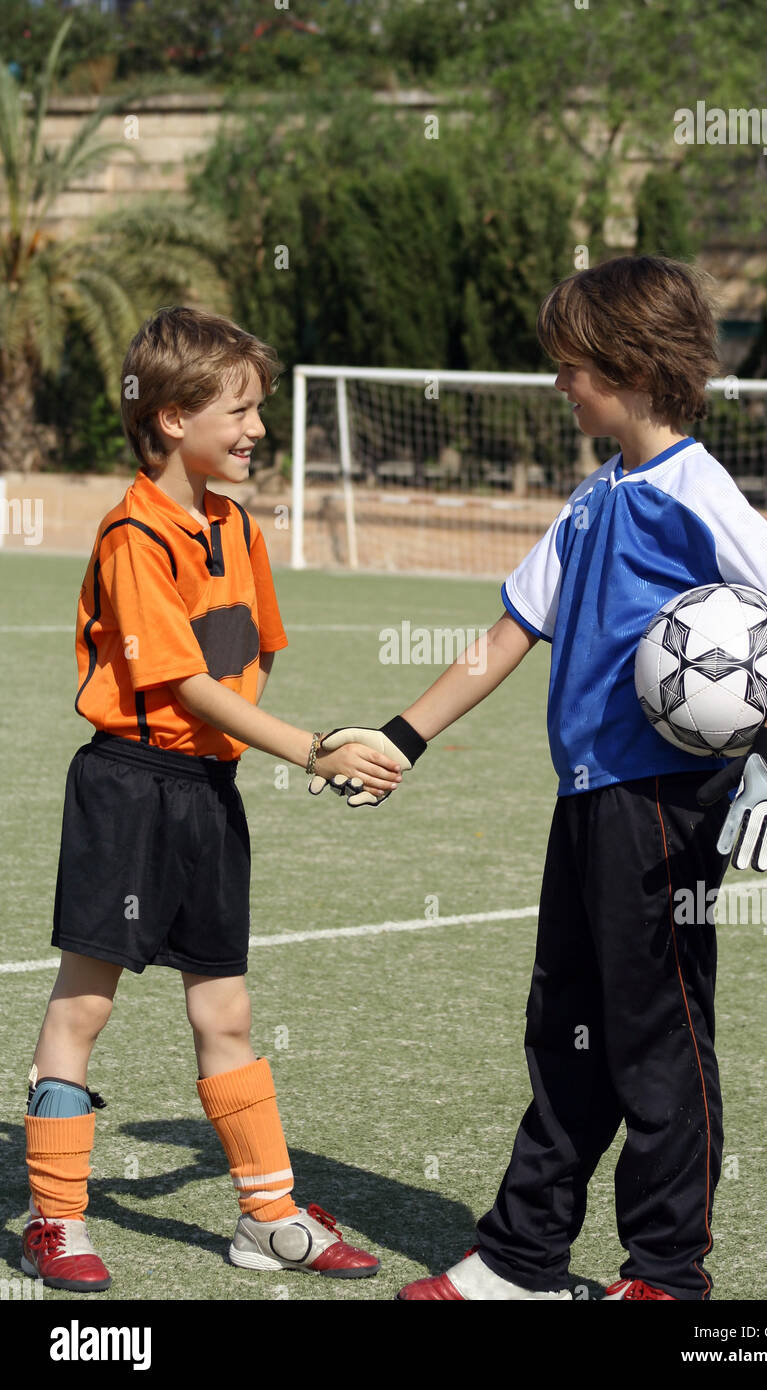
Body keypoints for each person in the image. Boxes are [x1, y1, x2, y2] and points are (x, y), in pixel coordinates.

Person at [311, 256, 767, 1301]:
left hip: (664, 803)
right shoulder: (593, 495)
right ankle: (519, 1257)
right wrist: (399, 740)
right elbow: (510, 632)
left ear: (630, 366)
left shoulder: (695, 485)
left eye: (570, 367)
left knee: (656, 1041)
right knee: (563, 1028)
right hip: (589, 799)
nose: (558, 385)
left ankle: (665, 1276)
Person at [21, 306, 403, 1293]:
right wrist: (318, 753)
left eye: (260, 409)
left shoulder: (237, 527)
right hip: (125, 786)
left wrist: (272, 746)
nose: (258, 431)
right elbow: (185, 684)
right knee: (84, 1002)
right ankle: (56, 1220)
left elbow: (253, 656)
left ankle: (265, 1215)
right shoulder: (132, 534)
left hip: (205, 793)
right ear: (171, 418)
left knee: (225, 1009)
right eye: (241, 409)